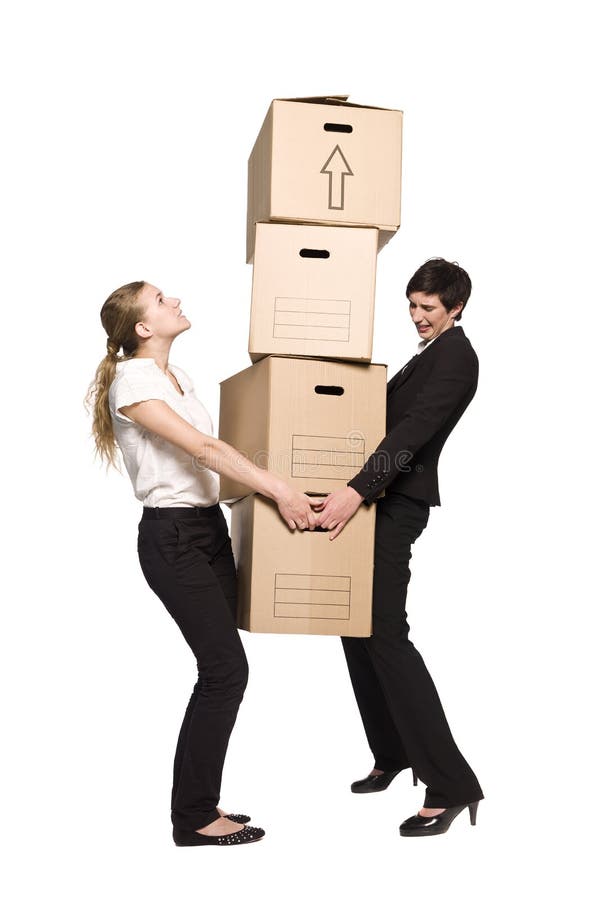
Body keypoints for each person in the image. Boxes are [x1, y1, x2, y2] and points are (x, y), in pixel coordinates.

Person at [85, 280, 320, 847]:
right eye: (163, 301)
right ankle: (193, 817)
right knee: (224, 671)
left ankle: (198, 804)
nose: (176, 302)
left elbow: (211, 465)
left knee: (224, 669)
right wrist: (279, 489)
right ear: (143, 327)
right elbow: (203, 449)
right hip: (173, 539)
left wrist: (252, 497)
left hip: (207, 529)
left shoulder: (177, 377)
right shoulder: (132, 382)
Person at [315, 258, 485, 837]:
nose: (416, 317)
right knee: (354, 625)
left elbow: (411, 435)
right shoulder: (426, 355)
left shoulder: (457, 357)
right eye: (412, 306)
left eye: (427, 308)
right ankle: (392, 752)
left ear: (456, 306)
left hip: (395, 504)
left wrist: (355, 491)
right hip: (376, 500)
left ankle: (451, 782)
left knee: (386, 634)